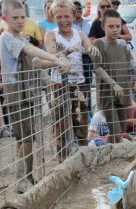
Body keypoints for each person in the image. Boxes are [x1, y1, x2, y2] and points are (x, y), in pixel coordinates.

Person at [0, 0, 71, 192]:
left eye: (23, 17)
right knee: (28, 137)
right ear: (4, 19)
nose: (20, 21)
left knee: (25, 137)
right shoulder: (8, 38)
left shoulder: (21, 39)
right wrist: (55, 58)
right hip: (17, 94)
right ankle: (21, 179)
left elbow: (37, 62)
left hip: (26, 94)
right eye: (15, 18)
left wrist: (61, 57)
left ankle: (26, 177)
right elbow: (31, 51)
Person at [44, 0, 99, 156]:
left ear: (74, 16)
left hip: (79, 84)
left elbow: (90, 50)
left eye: (67, 16)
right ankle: (63, 160)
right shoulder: (51, 35)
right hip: (59, 85)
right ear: (53, 17)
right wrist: (67, 51)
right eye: (59, 17)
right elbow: (51, 55)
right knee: (61, 124)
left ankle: (83, 157)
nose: (63, 20)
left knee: (81, 123)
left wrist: (94, 50)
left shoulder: (80, 34)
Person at [92, 9, 136, 144]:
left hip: (123, 92)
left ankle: (110, 152)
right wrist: (113, 84)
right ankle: (113, 156)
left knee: (120, 130)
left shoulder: (123, 43)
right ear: (103, 27)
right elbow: (98, 68)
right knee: (115, 130)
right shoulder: (98, 43)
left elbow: (131, 63)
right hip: (107, 93)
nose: (115, 30)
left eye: (117, 26)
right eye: (111, 26)